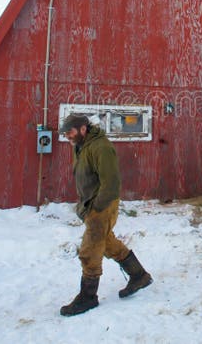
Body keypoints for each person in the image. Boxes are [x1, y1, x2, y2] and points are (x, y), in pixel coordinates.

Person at [59, 113, 153, 316]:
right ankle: (139, 275)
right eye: (65, 133)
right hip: (90, 205)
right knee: (107, 243)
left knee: (89, 251)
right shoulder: (80, 145)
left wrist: (96, 208)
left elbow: (111, 184)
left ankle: (87, 297)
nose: (67, 136)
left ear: (83, 129)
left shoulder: (101, 147)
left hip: (102, 206)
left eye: (70, 132)